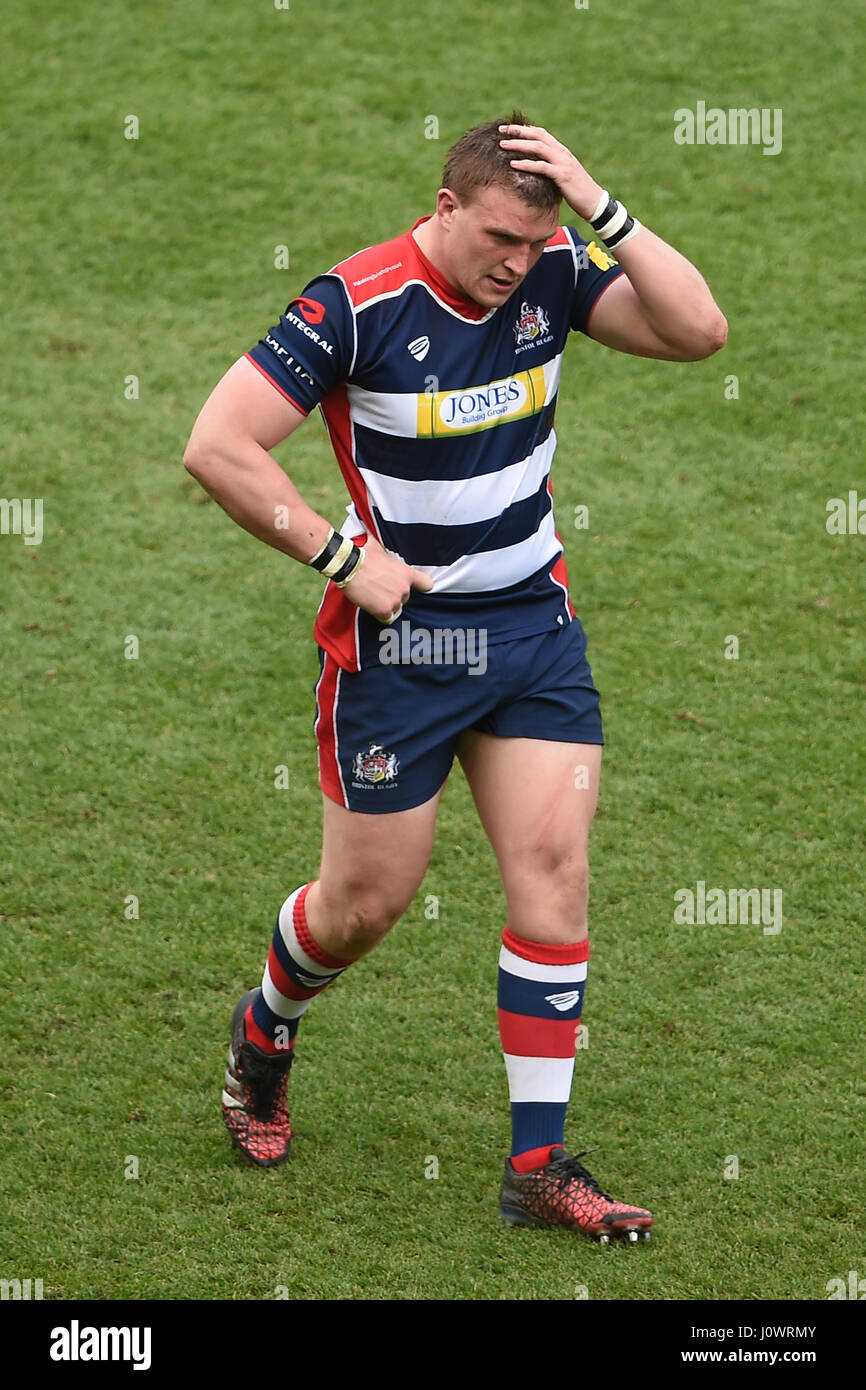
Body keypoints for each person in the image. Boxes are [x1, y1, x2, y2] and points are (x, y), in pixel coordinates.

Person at [183, 112, 726, 1242]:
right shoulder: (354, 303)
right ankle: (266, 1026)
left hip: (530, 632)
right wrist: (340, 559)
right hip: (404, 652)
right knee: (363, 905)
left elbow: (696, 330)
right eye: (496, 239)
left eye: (537, 243)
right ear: (442, 209)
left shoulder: (549, 274)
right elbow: (218, 443)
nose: (515, 266)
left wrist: (596, 198)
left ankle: (538, 1166)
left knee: (552, 871)